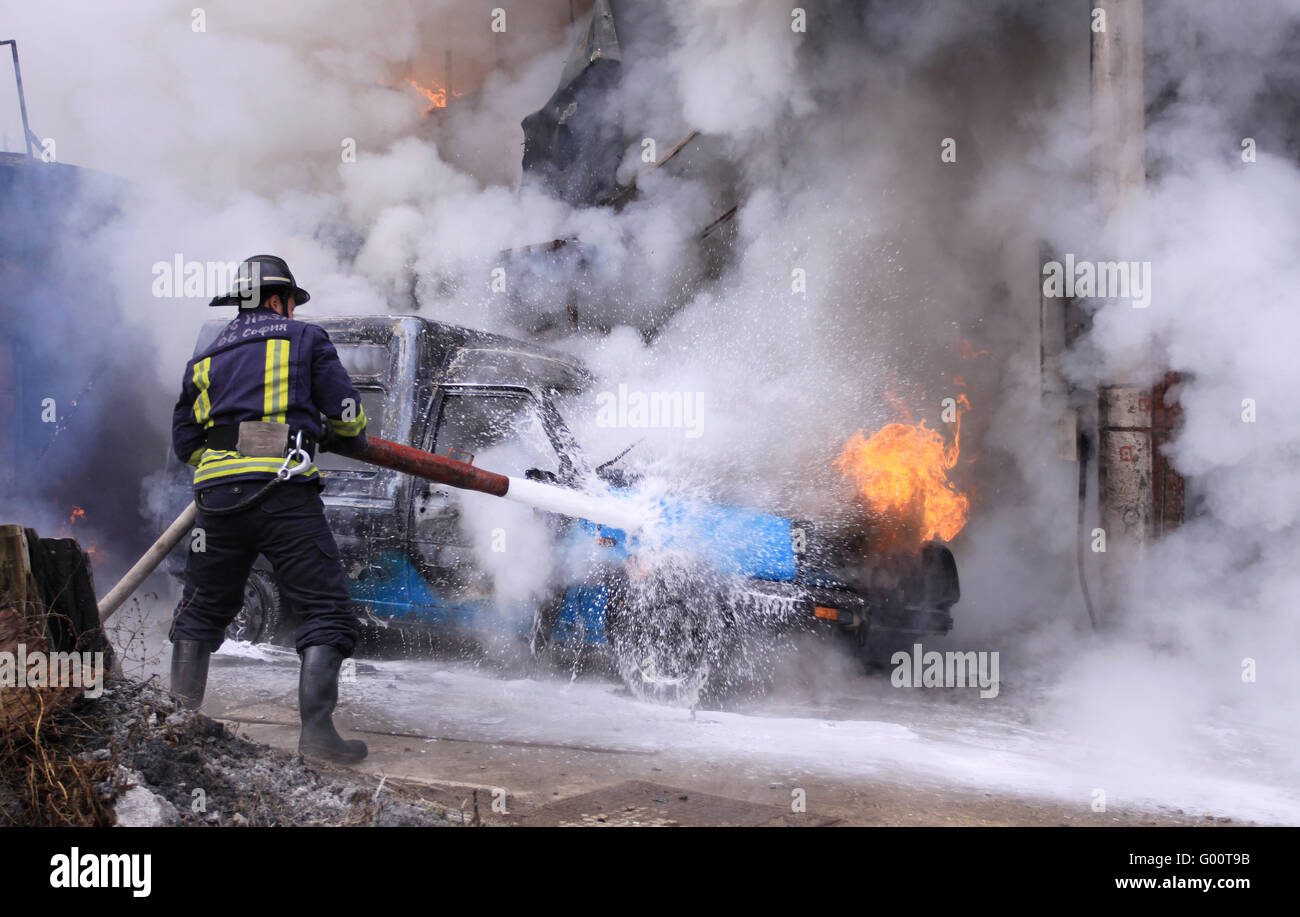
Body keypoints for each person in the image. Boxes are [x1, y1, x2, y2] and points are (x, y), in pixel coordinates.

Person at [168, 254, 369, 764]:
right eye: (291, 304)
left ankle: (174, 725)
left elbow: (185, 441)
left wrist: (227, 463)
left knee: (202, 609)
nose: (293, 314)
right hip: (283, 491)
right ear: (278, 300)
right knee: (324, 610)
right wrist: (334, 433)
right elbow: (346, 415)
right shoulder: (304, 340)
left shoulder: (205, 358)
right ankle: (318, 737)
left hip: (215, 498)